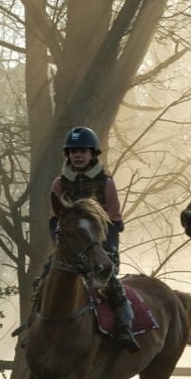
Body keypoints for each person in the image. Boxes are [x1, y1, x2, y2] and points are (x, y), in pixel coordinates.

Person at [48, 126, 139, 352]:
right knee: (43, 284)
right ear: (68, 155)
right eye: (73, 151)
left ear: (92, 153)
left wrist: (110, 251)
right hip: (69, 248)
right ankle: (34, 327)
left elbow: (114, 222)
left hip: (99, 247)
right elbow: (54, 221)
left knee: (112, 287)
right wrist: (58, 247)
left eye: (83, 151)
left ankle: (125, 329)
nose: (78, 155)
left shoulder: (106, 184)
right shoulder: (59, 184)